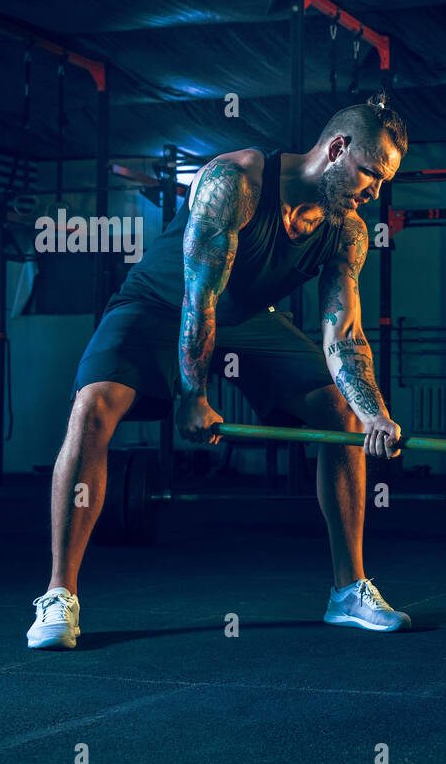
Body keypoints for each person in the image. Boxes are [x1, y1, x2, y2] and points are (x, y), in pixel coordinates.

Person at [27, 92, 410, 649]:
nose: (374, 193)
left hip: (246, 318)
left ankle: (348, 588)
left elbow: (343, 335)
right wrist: (192, 395)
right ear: (338, 148)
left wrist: (374, 413)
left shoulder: (345, 232)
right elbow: (198, 299)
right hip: (159, 304)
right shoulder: (234, 182)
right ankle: (60, 594)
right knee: (92, 407)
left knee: (340, 411)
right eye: (370, 175)